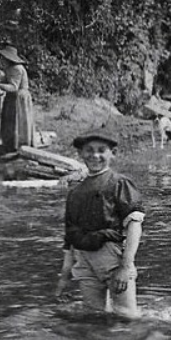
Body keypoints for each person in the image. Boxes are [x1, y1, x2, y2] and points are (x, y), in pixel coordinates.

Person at [54, 129, 145, 319]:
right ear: (80, 154)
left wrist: (126, 267)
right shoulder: (75, 192)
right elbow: (69, 239)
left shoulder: (120, 183)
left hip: (112, 256)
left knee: (127, 316)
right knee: (93, 315)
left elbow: (134, 225)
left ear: (113, 153)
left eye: (101, 150)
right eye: (89, 150)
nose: (95, 155)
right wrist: (64, 277)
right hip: (83, 258)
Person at [0, 44, 35, 153]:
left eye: (3, 58)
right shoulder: (8, 68)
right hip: (12, 97)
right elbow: (5, 82)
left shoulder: (16, 69)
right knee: (8, 120)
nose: (1, 60)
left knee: (17, 121)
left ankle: (19, 145)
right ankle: (9, 145)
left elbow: (14, 87)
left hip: (19, 98)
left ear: (8, 58)